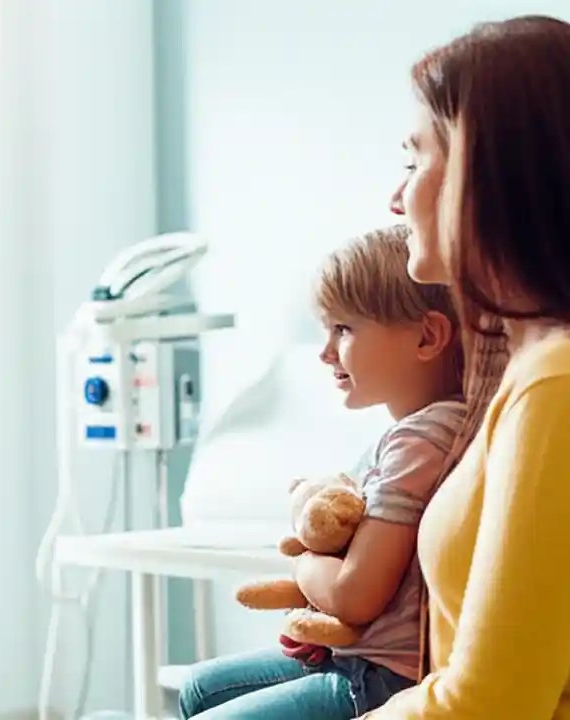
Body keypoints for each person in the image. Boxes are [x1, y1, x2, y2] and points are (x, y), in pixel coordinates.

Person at [365, 14, 570, 718]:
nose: (397, 199)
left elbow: (491, 703)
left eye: (413, 160)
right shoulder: (534, 370)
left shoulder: (556, 386)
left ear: (487, 172)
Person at [179, 225, 468, 719]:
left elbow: (354, 596)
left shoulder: (420, 442)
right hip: (362, 659)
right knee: (197, 689)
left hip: (383, 681)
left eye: (345, 329)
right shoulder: (425, 431)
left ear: (428, 336)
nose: (325, 351)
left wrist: (302, 566)